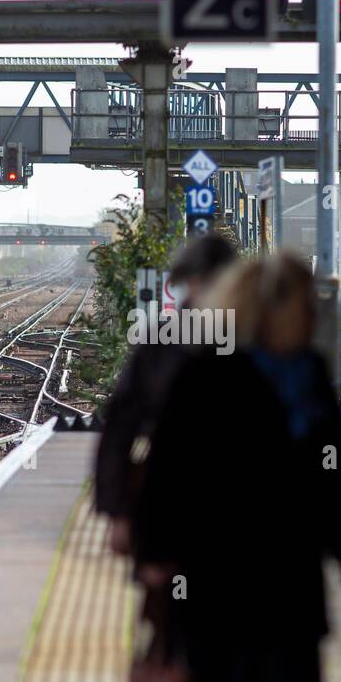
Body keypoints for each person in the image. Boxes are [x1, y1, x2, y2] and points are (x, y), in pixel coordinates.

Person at [132, 254, 341, 682]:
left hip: (288, 578)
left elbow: (336, 470)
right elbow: (165, 474)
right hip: (213, 579)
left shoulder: (310, 373)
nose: (314, 317)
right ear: (269, 310)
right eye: (305, 306)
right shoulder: (206, 377)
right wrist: (152, 556)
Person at [94, 234, 237, 554]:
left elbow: (121, 424)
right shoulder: (166, 341)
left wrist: (116, 511)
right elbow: (122, 424)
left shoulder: (167, 340)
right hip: (172, 503)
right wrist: (117, 512)